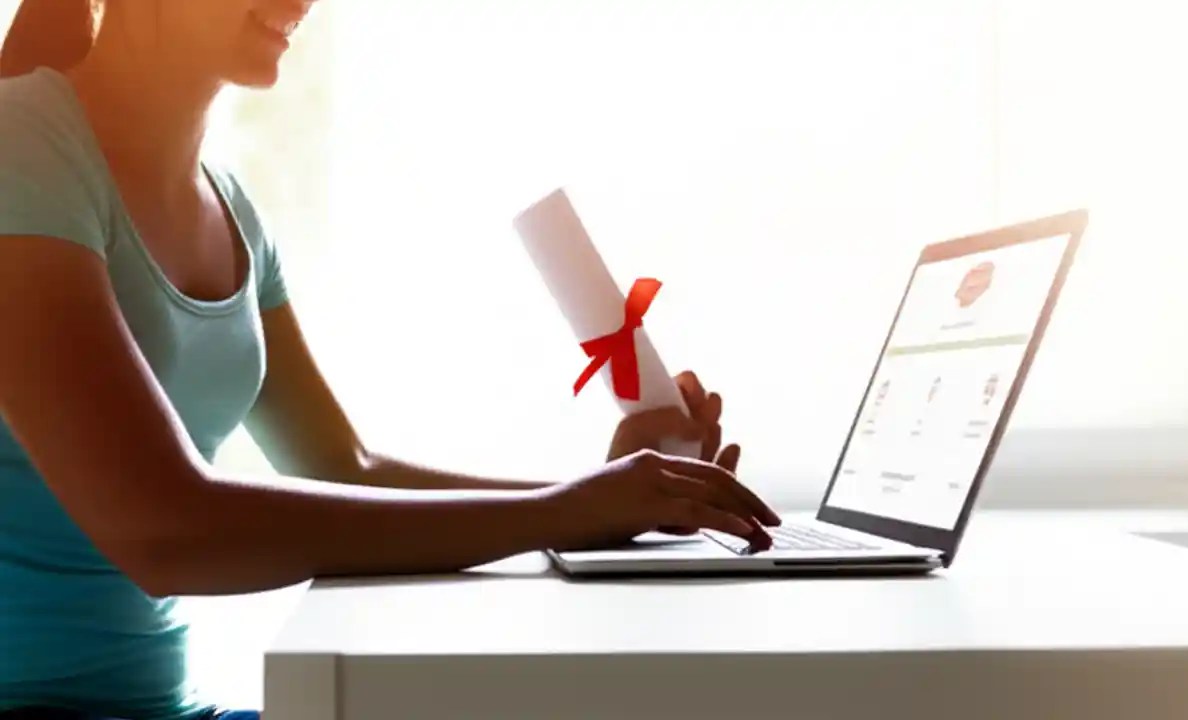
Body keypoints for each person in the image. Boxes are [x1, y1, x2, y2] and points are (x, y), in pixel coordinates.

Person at [0, 1, 781, 718]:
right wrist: (564, 513)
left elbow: (346, 467)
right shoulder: (21, 144)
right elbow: (164, 530)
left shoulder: (232, 207)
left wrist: (607, 499)